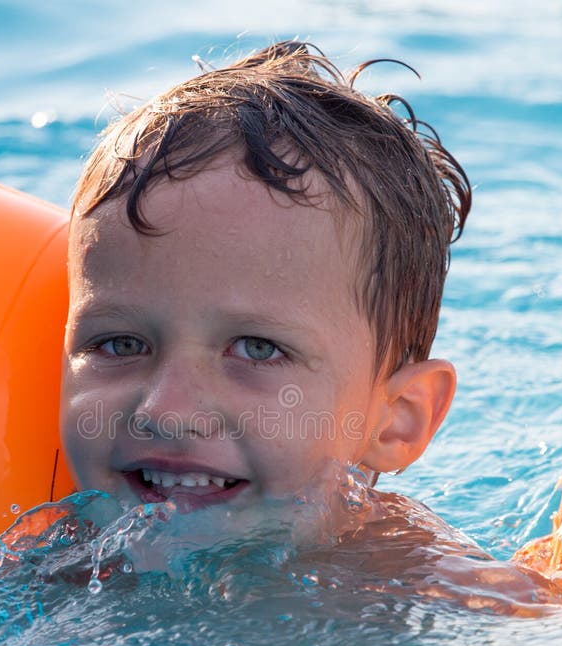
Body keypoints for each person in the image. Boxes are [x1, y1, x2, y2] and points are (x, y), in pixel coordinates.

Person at [60, 40, 471, 528]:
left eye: (257, 349)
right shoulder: (36, 560)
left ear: (396, 420)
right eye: (121, 343)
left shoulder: (429, 590)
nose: (167, 412)